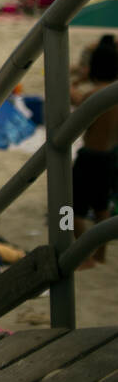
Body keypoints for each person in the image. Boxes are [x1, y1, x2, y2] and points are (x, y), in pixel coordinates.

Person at [70, 39, 117, 266]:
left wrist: (73, 82)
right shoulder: (114, 94)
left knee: (67, 207)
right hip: (109, 156)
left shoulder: (95, 95)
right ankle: (101, 254)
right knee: (101, 207)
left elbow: (77, 105)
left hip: (90, 156)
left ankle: (83, 253)